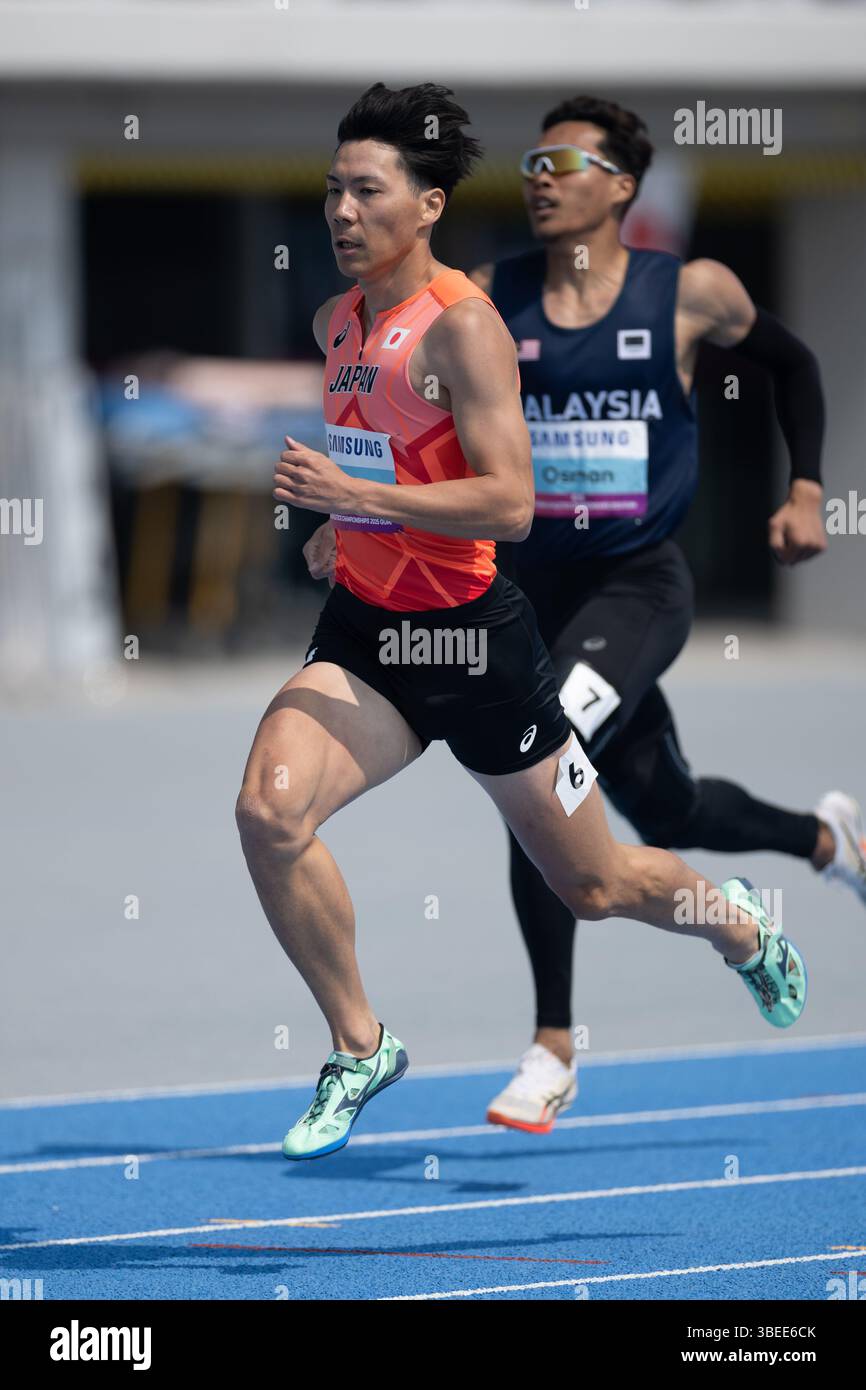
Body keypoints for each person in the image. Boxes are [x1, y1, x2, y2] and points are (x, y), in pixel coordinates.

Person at [235, 83, 807, 1164]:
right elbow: (385, 454)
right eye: (330, 191)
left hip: (477, 646)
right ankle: (360, 1044)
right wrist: (339, 529)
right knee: (268, 811)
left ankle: (732, 918)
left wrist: (357, 503)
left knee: (592, 885)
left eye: (366, 192)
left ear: (430, 203)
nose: (340, 212)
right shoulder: (334, 321)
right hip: (371, 635)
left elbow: (508, 504)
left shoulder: (463, 329)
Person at [462, 95, 862, 1134]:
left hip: (636, 587)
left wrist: (807, 487)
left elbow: (793, 366)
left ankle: (552, 1047)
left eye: (564, 160)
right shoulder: (488, 294)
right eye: (532, 161)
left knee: (538, 759)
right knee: (668, 809)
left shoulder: (686, 293)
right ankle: (823, 841)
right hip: (527, 599)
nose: (539, 176)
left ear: (620, 187)